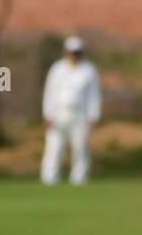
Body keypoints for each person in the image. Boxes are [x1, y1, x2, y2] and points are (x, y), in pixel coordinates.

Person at [41, 35, 101, 185]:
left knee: (80, 147)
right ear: (66, 52)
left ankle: (79, 179)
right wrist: (48, 114)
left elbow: (94, 95)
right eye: (71, 52)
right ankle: (50, 179)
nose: (74, 55)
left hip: (80, 114)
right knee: (55, 147)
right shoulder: (57, 69)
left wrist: (94, 116)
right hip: (59, 114)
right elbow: (50, 92)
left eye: (77, 52)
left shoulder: (89, 70)